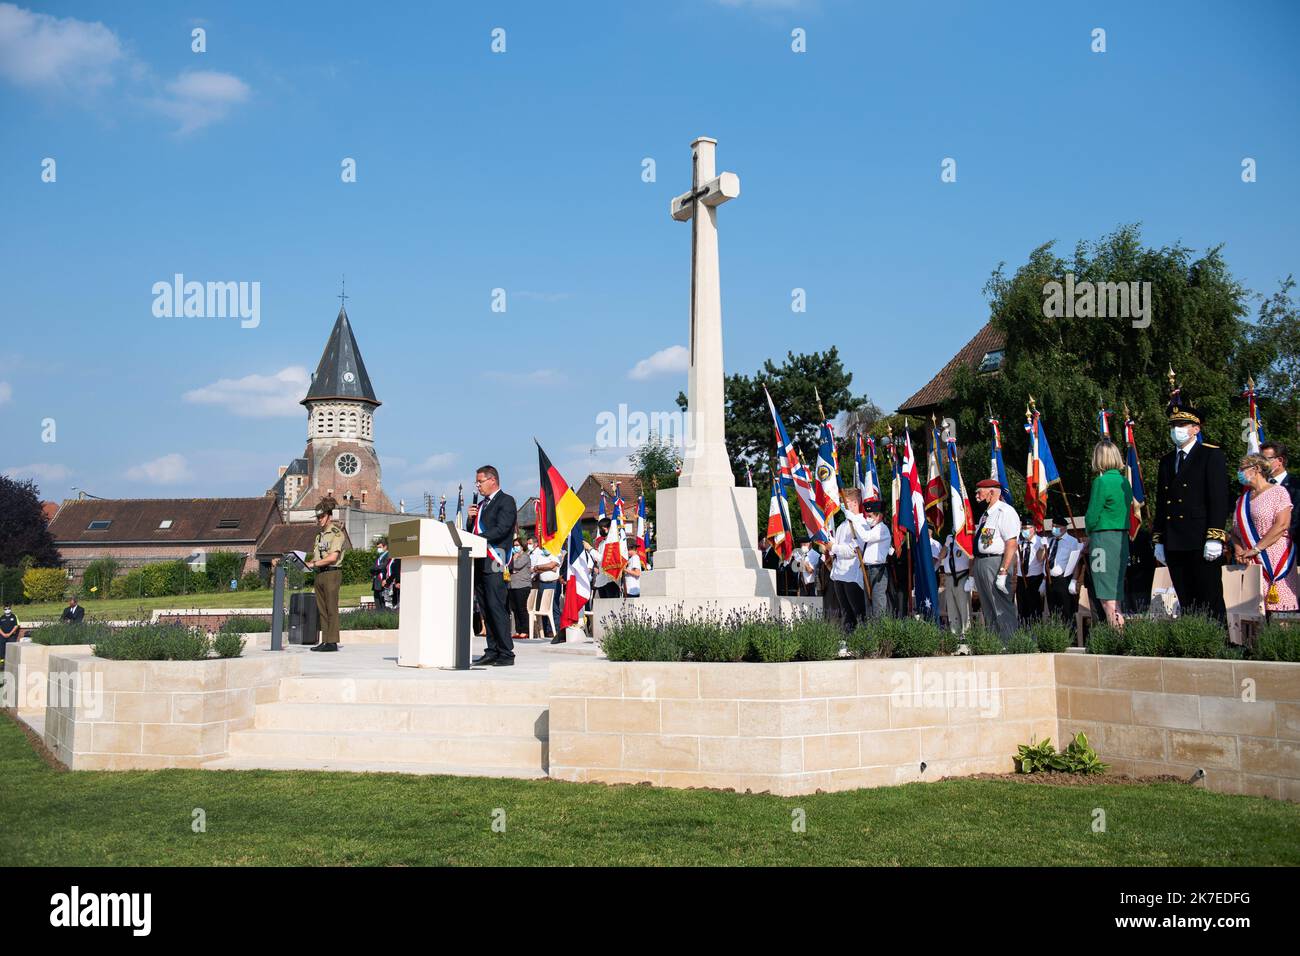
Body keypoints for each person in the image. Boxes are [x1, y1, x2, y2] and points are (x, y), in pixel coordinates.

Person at [1153, 402, 1230, 622]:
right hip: (1174, 540)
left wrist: (1215, 535)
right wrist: (1159, 539)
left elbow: (1218, 498)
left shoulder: (1210, 455)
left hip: (1200, 538)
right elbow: (1162, 502)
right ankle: (1195, 644)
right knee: (1186, 599)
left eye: (1183, 424)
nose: (1177, 429)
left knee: (1209, 597)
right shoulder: (1167, 461)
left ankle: (1218, 644)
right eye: (1174, 424)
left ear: (1196, 428)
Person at [1233, 453, 1297, 615]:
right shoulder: (1242, 500)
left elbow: (1282, 525)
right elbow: (1234, 531)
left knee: (1278, 613)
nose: (1239, 472)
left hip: (1275, 557)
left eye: (1242, 469)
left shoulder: (1278, 492)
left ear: (1256, 469)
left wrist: (1256, 548)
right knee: (1253, 613)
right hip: (1250, 561)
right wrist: (1239, 549)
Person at [468, 465, 518, 666]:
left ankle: (506, 653)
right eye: (477, 482)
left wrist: (478, 537)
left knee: (497, 606)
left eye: (480, 481)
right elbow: (472, 533)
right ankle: (492, 650)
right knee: (485, 608)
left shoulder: (506, 501)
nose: (478, 486)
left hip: (496, 561)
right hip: (480, 561)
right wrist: (471, 521)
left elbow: (502, 529)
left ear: (492, 481)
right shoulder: (481, 506)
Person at [1085, 440, 1134, 629]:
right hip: (1120, 539)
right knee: (1115, 593)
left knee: (1106, 597)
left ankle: (1117, 640)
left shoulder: (1101, 481)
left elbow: (1092, 515)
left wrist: (1088, 534)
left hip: (1102, 540)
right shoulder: (1124, 481)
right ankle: (1119, 635)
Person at [971, 477, 1020, 643]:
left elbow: (1011, 544)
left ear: (991, 493)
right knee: (988, 607)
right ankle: (995, 644)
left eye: (980, 492)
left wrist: (1003, 571)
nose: (976, 496)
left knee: (1001, 606)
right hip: (982, 562)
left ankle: (1009, 643)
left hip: (996, 562)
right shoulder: (986, 515)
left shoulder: (1005, 512)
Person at [306, 495, 346, 651]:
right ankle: (325, 640)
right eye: (318, 517)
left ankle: (332, 641)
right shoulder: (319, 536)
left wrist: (314, 563)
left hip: (331, 573)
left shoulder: (336, 533)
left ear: (329, 516)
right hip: (320, 573)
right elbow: (317, 556)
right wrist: (307, 564)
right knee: (322, 609)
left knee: (331, 608)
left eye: (321, 516)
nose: (319, 520)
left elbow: (333, 557)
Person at [829, 489, 869, 632]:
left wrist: (833, 547)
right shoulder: (842, 526)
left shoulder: (861, 523)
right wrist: (829, 546)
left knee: (858, 612)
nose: (841, 504)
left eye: (844, 501)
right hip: (839, 573)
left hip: (852, 574)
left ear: (855, 502)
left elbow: (854, 551)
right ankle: (848, 639)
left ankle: (862, 641)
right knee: (845, 612)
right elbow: (836, 549)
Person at [1043, 515, 1083, 623]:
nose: (1054, 528)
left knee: (1067, 612)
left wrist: (1074, 580)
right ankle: (1057, 637)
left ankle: (1070, 637)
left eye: (1057, 526)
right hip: (1050, 580)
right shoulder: (1049, 541)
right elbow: (1043, 560)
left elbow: (1076, 562)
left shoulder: (1072, 541)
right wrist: (1043, 548)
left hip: (1064, 580)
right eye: (1053, 526)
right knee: (1053, 612)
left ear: (1064, 528)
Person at [1261, 442, 1300, 545]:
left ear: (1280, 460)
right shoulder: (1257, 487)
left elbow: (1295, 520)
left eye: (1265, 459)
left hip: (1286, 545)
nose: (1261, 464)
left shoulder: (1296, 487)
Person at [938, 527, 973, 636]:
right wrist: (946, 544)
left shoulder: (965, 541)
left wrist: (971, 577)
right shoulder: (949, 541)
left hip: (962, 575)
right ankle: (955, 632)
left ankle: (966, 632)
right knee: (951, 606)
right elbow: (940, 556)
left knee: (964, 605)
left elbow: (972, 558)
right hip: (949, 577)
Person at [1013, 517, 1048, 625]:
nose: (1025, 530)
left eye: (1027, 528)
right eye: (1023, 528)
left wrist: (1042, 548)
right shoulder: (1019, 542)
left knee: (1034, 609)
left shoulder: (1040, 541)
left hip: (1035, 579)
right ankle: (1023, 634)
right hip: (1021, 578)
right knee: (1022, 609)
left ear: (1034, 529)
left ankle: (1035, 634)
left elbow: (1040, 559)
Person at [860, 501, 891, 619]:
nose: (867, 519)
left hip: (878, 570)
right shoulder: (871, 529)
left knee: (878, 603)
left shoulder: (882, 529)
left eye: (870, 516)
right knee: (868, 604)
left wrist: (855, 519)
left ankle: (880, 634)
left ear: (879, 516)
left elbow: (865, 537)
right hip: (867, 569)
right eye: (866, 516)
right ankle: (871, 634)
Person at [530, 538, 563, 642]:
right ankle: (545, 629)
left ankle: (555, 630)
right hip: (542, 584)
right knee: (543, 608)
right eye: (543, 547)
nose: (544, 549)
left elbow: (552, 565)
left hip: (553, 583)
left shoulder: (555, 553)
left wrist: (540, 567)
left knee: (554, 607)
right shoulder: (540, 555)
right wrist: (545, 567)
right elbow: (534, 569)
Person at [507, 537, 532, 639]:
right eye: (514, 545)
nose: (515, 547)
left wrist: (514, 561)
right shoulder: (513, 556)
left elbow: (516, 566)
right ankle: (518, 630)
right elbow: (508, 566)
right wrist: (512, 567)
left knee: (521, 608)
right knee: (515, 609)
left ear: (522, 546)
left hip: (522, 585)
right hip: (512, 585)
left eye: (517, 545)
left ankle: (525, 630)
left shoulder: (525, 556)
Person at [591, 519, 622, 599]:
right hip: (601, 579)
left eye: (602, 528)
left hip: (611, 579)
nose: (600, 530)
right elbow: (600, 561)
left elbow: (604, 559)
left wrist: (590, 550)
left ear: (607, 528)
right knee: (603, 606)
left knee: (612, 606)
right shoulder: (602, 543)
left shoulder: (614, 543)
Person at [370, 536, 393, 610]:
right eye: (377, 547)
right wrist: (375, 568)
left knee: (382, 600)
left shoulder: (388, 555)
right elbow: (372, 568)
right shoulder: (379, 556)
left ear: (385, 546)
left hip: (382, 580)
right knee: (377, 599)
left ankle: (383, 614)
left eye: (379, 547)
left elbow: (383, 566)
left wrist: (375, 568)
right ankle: (378, 614)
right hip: (376, 581)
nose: (378, 549)